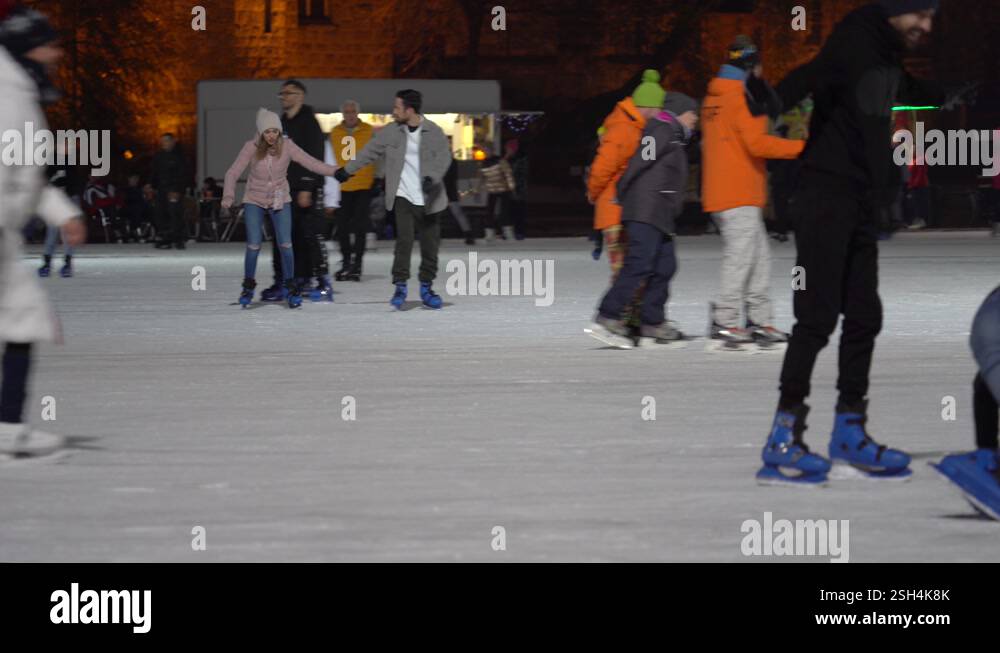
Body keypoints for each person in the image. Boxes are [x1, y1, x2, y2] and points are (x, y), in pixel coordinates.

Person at [758, 0, 946, 485]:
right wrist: (770, 99)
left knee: (865, 315)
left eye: (931, 18)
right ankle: (784, 436)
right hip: (824, 195)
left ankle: (849, 429)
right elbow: (813, 74)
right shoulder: (854, 39)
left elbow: (893, 89)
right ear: (895, 11)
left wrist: (938, 93)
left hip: (860, 200)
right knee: (817, 317)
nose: (926, 27)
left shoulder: (885, 53)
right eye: (920, 15)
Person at [0, 4, 87, 456]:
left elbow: (27, 176)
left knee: (23, 318)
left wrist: (62, 213)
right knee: (22, 318)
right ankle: (9, 427)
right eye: (49, 44)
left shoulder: (19, 90)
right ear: (28, 47)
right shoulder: (8, 96)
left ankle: (9, 426)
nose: (56, 53)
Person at [701, 35, 805, 352]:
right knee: (742, 258)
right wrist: (803, 148)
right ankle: (725, 321)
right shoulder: (739, 98)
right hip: (737, 192)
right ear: (751, 65)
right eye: (758, 66)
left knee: (758, 257)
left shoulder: (714, 98)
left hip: (730, 191)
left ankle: (759, 322)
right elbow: (757, 144)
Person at [587, 93, 698, 350]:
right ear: (680, 112)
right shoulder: (661, 129)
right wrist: (622, 191)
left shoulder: (672, 134)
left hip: (659, 214)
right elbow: (640, 161)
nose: (696, 120)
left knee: (665, 266)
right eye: (694, 114)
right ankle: (608, 316)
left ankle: (652, 321)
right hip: (645, 211)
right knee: (639, 264)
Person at [334, 89, 452, 310]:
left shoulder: (433, 131)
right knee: (403, 243)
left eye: (397, 107)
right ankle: (400, 286)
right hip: (403, 197)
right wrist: (348, 170)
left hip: (430, 199)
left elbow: (444, 157)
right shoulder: (392, 131)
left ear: (410, 109)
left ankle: (426, 287)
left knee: (430, 246)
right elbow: (369, 152)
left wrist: (432, 178)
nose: (393, 111)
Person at [221, 108, 339, 309]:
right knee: (254, 245)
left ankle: (291, 288)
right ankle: (248, 287)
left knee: (286, 245)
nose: (272, 136)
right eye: (267, 132)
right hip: (254, 200)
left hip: (280, 199)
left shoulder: (288, 146)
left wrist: (336, 172)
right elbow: (232, 173)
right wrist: (228, 197)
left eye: (275, 131)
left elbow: (311, 163)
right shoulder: (250, 147)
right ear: (260, 132)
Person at [588, 70, 666, 335]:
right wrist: (594, 193)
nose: (660, 115)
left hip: (628, 208)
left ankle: (630, 318)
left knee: (634, 265)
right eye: (657, 109)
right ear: (647, 107)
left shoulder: (635, 126)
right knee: (624, 267)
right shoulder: (623, 128)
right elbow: (602, 168)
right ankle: (618, 318)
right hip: (614, 209)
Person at [933, 286, 1000, 519]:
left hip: (989, 320)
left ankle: (986, 457)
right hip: (993, 327)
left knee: (986, 380)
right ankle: (987, 461)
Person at [330, 100, 375, 282]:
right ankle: (347, 262)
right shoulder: (335, 132)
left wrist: (378, 176)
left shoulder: (369, 131)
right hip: (342, 186)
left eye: (352, 111)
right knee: (341, 228)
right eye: (346, 111)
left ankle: (357, 266)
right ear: (342, 113)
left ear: (358, 113)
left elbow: (378, 154)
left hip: (363, 185)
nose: (349, 115)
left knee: (360, 227)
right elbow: (330, 157)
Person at [150, 132, 189, 249]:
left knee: (175, 214)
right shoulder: (158, 156)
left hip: (174, 189)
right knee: (160, 213)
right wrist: (150, 185)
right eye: (162, 141)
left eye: (166, 141)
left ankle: (178, 239)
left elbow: (184, 175)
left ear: (173, 141)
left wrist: (177, 190)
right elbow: (154, 172)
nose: (164, 143)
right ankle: (164, 238)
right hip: (161, 190)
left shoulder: (180, 157)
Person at [476, 150, 515, 241]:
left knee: (504, 211)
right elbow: (481, 177)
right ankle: (490, 233)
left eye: (487, 150)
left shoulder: (500, 161)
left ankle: (507, 233)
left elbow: (507, 173)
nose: (486, 153)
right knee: (490, 211)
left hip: (503, 189)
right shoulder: (484, 163)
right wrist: (477, 188)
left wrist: (511, 186)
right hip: (492, 190)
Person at [504, 138, 529, 240]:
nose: (506, 149)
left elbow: (513, 172)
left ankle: (519, 232)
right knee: (510, 211)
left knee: (518, 211)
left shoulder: (519, 159)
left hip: (518, 188)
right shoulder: (511, 159)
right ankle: (513, 231)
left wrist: (506, 159)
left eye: (508, 148)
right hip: (511, 188)